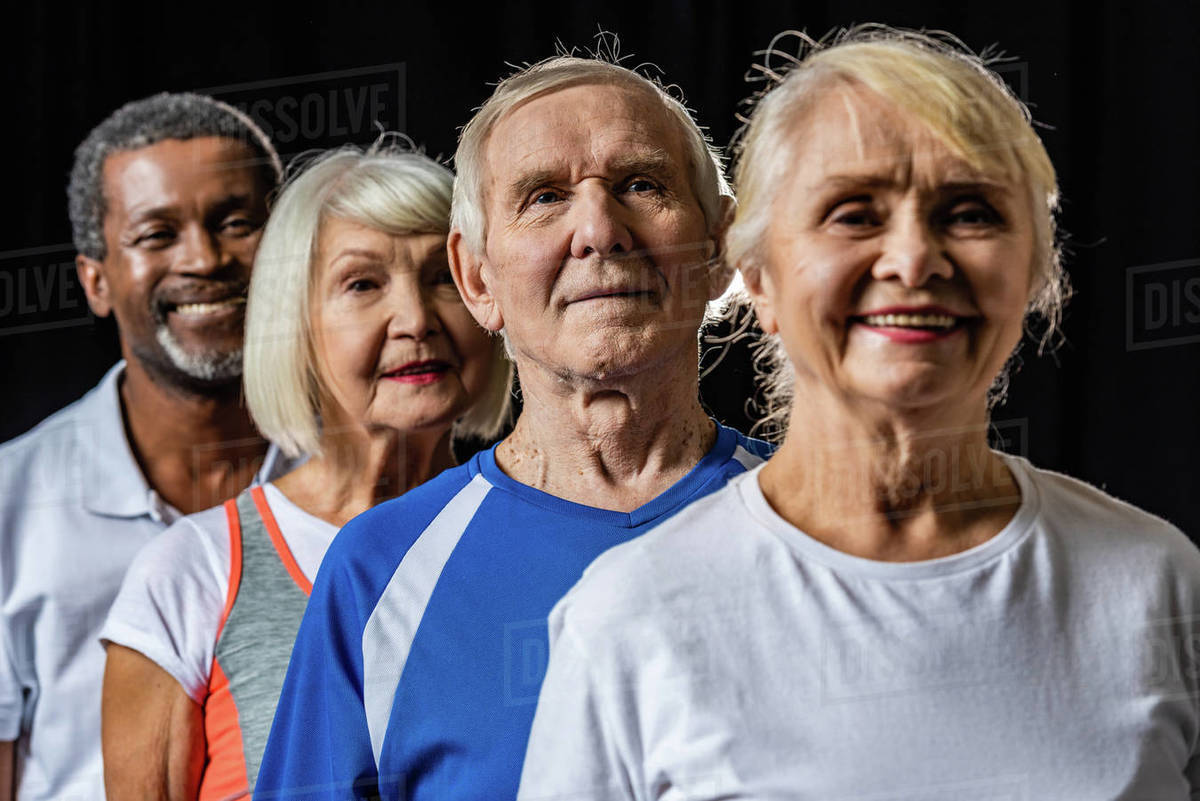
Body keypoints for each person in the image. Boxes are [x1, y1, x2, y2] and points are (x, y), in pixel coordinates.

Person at [518, 25, 1200, 800]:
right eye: (853, 213)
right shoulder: (630, 618)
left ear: (1035, 269)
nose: (913, 260)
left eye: (970, 212)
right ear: (757, 276)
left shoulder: (1159, 584)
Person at [254, 54, 773, 800]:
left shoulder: (827, 527)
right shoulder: (378, 573)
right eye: (544, 197)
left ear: (720, 246)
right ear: (476, 278)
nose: (599, 231)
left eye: (641, 184)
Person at [98, 143, 512, 800]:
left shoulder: (541, 536)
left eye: (443, 277)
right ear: (295, 326)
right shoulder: (191, 573)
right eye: (362, 284)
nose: (415, 319)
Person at [0, 92, 290, 801]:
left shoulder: (366, 472)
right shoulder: (11, 501)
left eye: (236, 223)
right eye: (157, 233)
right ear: (95, 280)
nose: (205, 258)